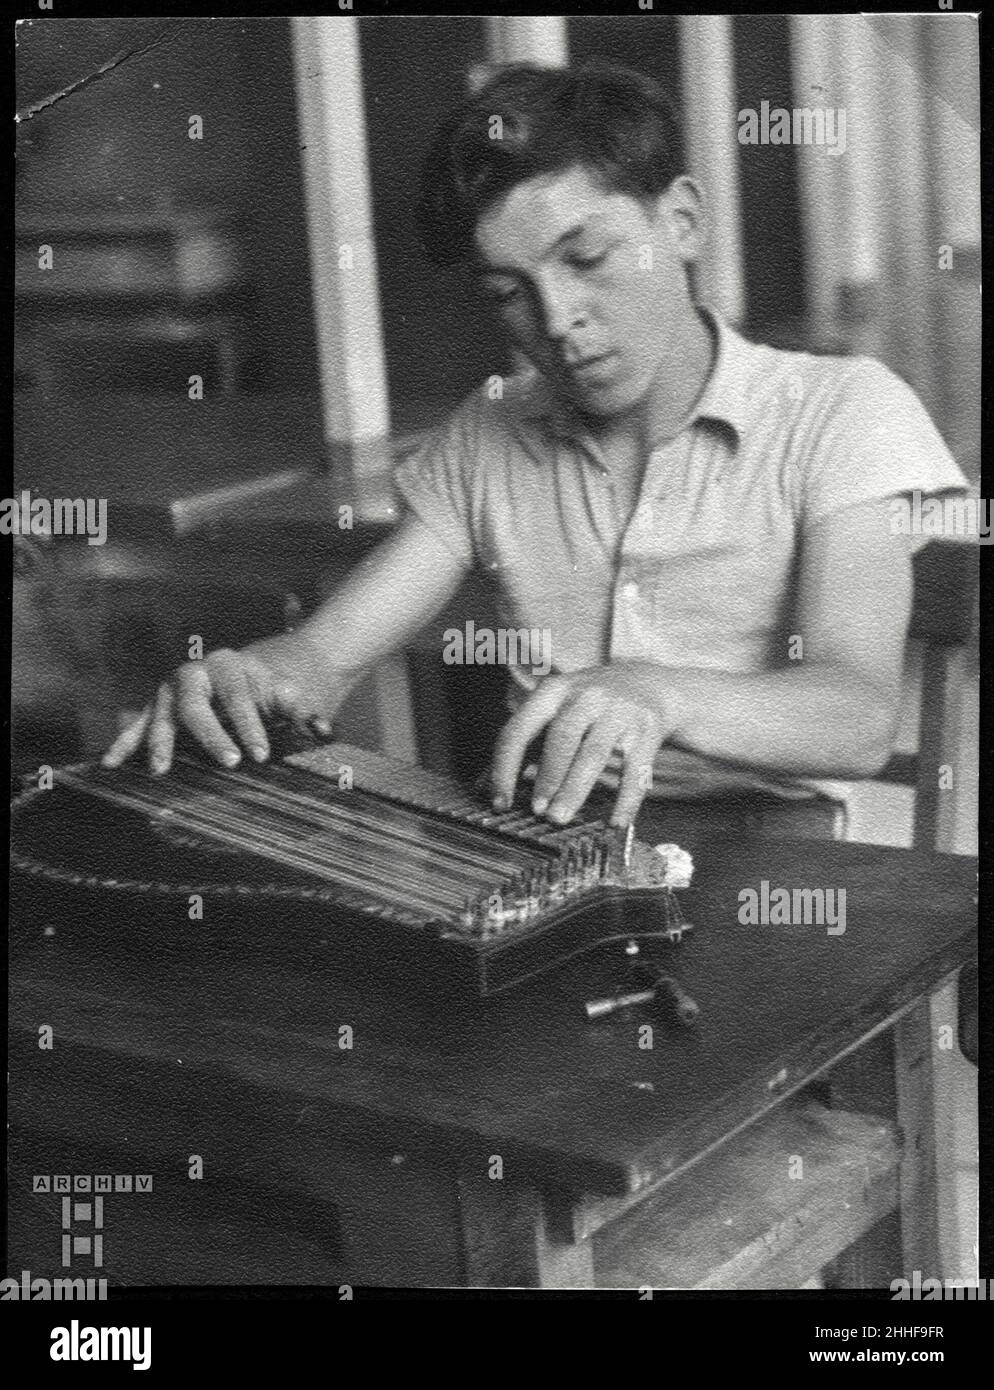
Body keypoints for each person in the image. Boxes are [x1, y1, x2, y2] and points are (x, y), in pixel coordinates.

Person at [103, 62, 967, 830]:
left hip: (763, 847)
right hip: (540, 833)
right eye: (509, 292)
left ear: (684, 222)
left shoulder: (841, 410)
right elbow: (325, 657)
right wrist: (258, 677)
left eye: (586, 257)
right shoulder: (491, 433)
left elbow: (854, 716)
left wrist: (655, 691)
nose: (557, 324)